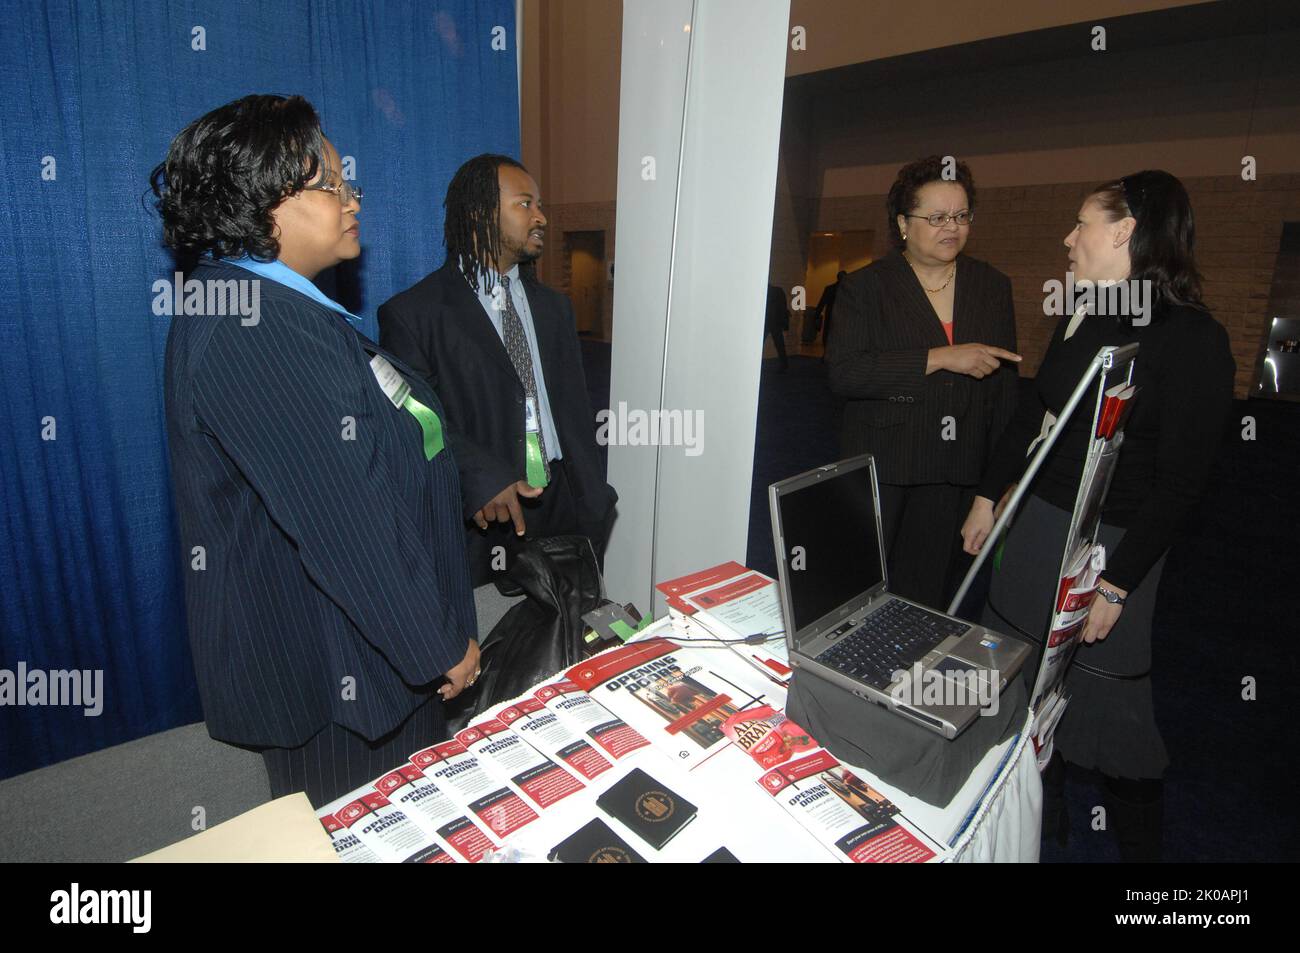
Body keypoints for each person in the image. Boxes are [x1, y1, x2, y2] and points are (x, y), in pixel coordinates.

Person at [155, 95, 480, 808]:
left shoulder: (281, 311)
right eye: (332, 184)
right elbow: (345, 518)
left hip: (368, 659)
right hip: (343, 680)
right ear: (265, 203)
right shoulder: (256, 326)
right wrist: (434, 641)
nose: (352, 198)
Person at [961, 170, 1235, 861]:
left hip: (1110, 551)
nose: (1068, 237)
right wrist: (990, 495)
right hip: (1033, 537)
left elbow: (1182, 482)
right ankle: (1038, 841)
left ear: (1126, 233)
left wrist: (1116, 582)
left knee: (1113, 729)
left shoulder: (1194, 339)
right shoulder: (1083, 308)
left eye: (1082, 223)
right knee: (1018, 711)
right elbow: (1035, 412)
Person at [379, 154, 616, 586]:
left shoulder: (555, 308)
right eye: (525, 204)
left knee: (577, 639)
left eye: (539, 204)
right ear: (478, 213)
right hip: (490, 516)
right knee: (503, 646)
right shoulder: (415, 314)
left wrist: (593, 494)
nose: (541, 216)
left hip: (567, 503)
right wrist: (480, 476)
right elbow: (415, 416)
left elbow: (574, 409)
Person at [826, 156, 1022, 610]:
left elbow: (1004, 393)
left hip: (955, 471)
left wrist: (997, 482)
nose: (951, 227)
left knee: (926, 597)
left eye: (960, 216)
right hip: (883, 466)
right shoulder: (866, 288)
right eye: (935, 217)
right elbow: (845, 372)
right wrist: (939, 358)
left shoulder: (992, 286)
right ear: (902, 224)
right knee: (856, 594)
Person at [806, 270, 845, 347]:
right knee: (840, 334)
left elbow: (822, 302)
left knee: (827, 333)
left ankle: (827, 351)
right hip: (843, 315)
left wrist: (817, 315)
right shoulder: (847, 290)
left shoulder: (830, 288)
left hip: (830, 314)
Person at [765, 284, 791, 371]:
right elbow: (783, 306)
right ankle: (784, 364)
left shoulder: (764, 290)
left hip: (768, 320)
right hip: (775, 321)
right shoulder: (778, 290)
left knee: (778, 343)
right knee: (779, 344)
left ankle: (784, 364)